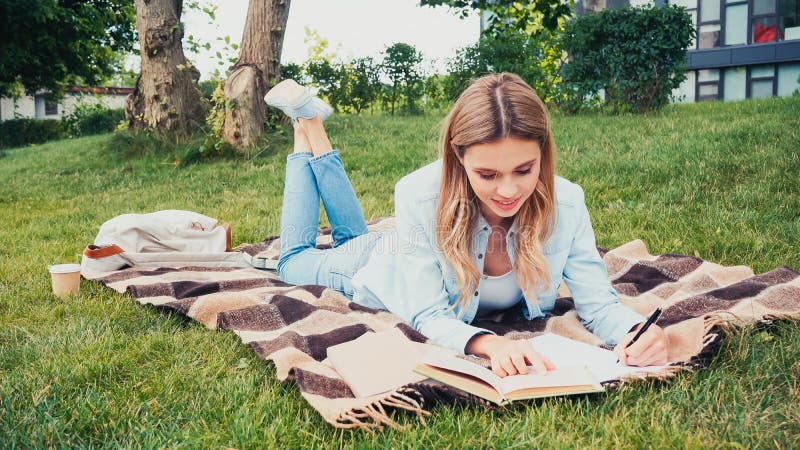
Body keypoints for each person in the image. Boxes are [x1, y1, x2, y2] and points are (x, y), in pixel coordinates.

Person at [265, 73, 668, 378]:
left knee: (352, 236)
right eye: (488, 174)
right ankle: (307, 128)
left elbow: (599, 304)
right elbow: (426, 314)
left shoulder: (567, 201)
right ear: (458, 159)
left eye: (524, 169)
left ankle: (314, 123)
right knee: (294, 260)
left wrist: (636, 331)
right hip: (372, 269)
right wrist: (486, 344)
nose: (508, 190)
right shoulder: (419, 194)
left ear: (543, 155)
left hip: (398, 245)